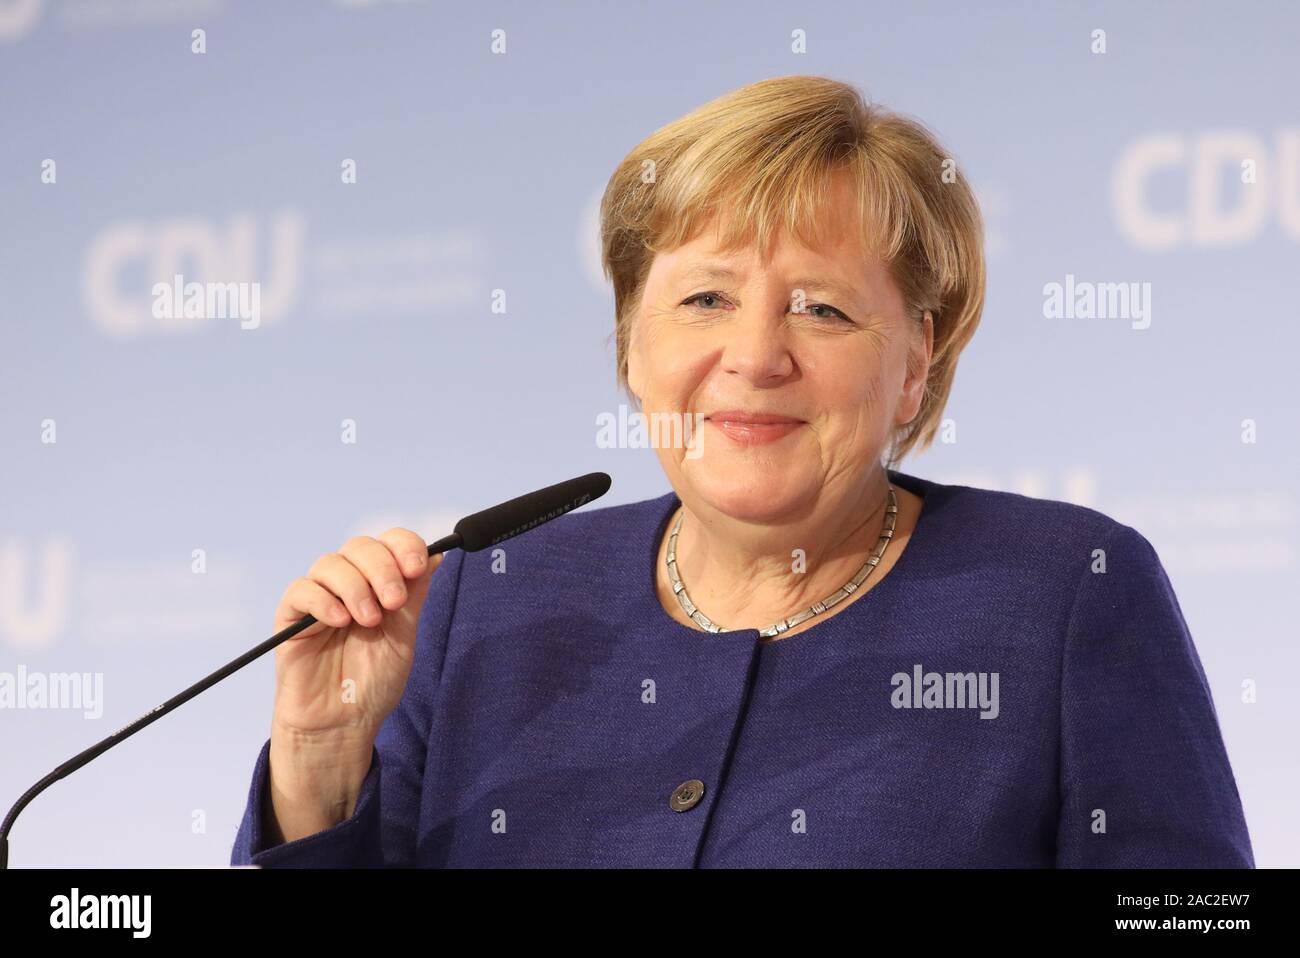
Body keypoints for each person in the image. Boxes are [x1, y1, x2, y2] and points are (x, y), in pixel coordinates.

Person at [230, 75, 1253, 867]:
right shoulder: (481, 604)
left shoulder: (1065, 591)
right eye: (705, 299)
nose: (756, 356)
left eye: (822, 307)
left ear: (914, 366)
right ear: (630, 344)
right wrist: (317, 771)